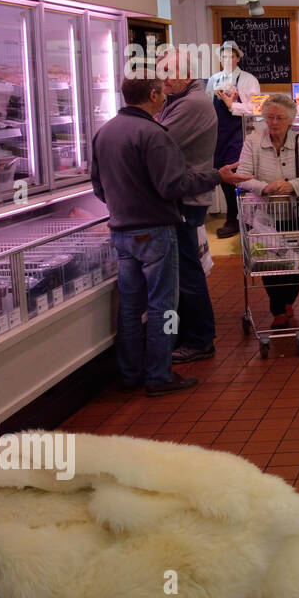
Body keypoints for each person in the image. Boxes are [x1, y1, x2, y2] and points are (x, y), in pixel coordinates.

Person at [91, 73, 228, 396]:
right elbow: (172, 186)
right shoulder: (154, 134)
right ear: (152, 95)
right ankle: (159, 375)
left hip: (121, 232)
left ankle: (128, 374)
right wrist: (215, 177)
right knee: (162, 305)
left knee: (129, 305)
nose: (165, 96)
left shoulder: (104, 132)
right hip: (155, 230)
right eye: (161, 91)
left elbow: (98, 187)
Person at [226, 94, 299, 328]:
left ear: (291, 119)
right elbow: (242, 176)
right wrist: (263, 187)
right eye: (269, 117)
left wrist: (292, 185)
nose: (273, 122)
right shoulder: (253, 141)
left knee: (296, 261)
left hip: (296, 211)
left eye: (279, 118)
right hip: (262, 215)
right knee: (268, 262)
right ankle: (278, 308)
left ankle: (288, 301)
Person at [155, 49, 218, 364]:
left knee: (186, 272)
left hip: (187, 198)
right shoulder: (179, 100)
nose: (163, 78)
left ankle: (199, 339)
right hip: (182, 196)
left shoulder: (192, 103)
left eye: (169, 72)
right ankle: (192, 336)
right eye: (160, 71)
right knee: (184, 269)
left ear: (189, 73)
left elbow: (157, 141)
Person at [204, 41, 261, 238]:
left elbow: (256, 109)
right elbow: (207, 107)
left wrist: (232, 104)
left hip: (240, 134)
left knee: (240, 175)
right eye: (223, 56)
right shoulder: (213, 79)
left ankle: (246, 219)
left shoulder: (248, 79)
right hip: (218, 135)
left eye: (231, 56)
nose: (227, 60)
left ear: (238, 58)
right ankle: (232, 217)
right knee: (222, 175)